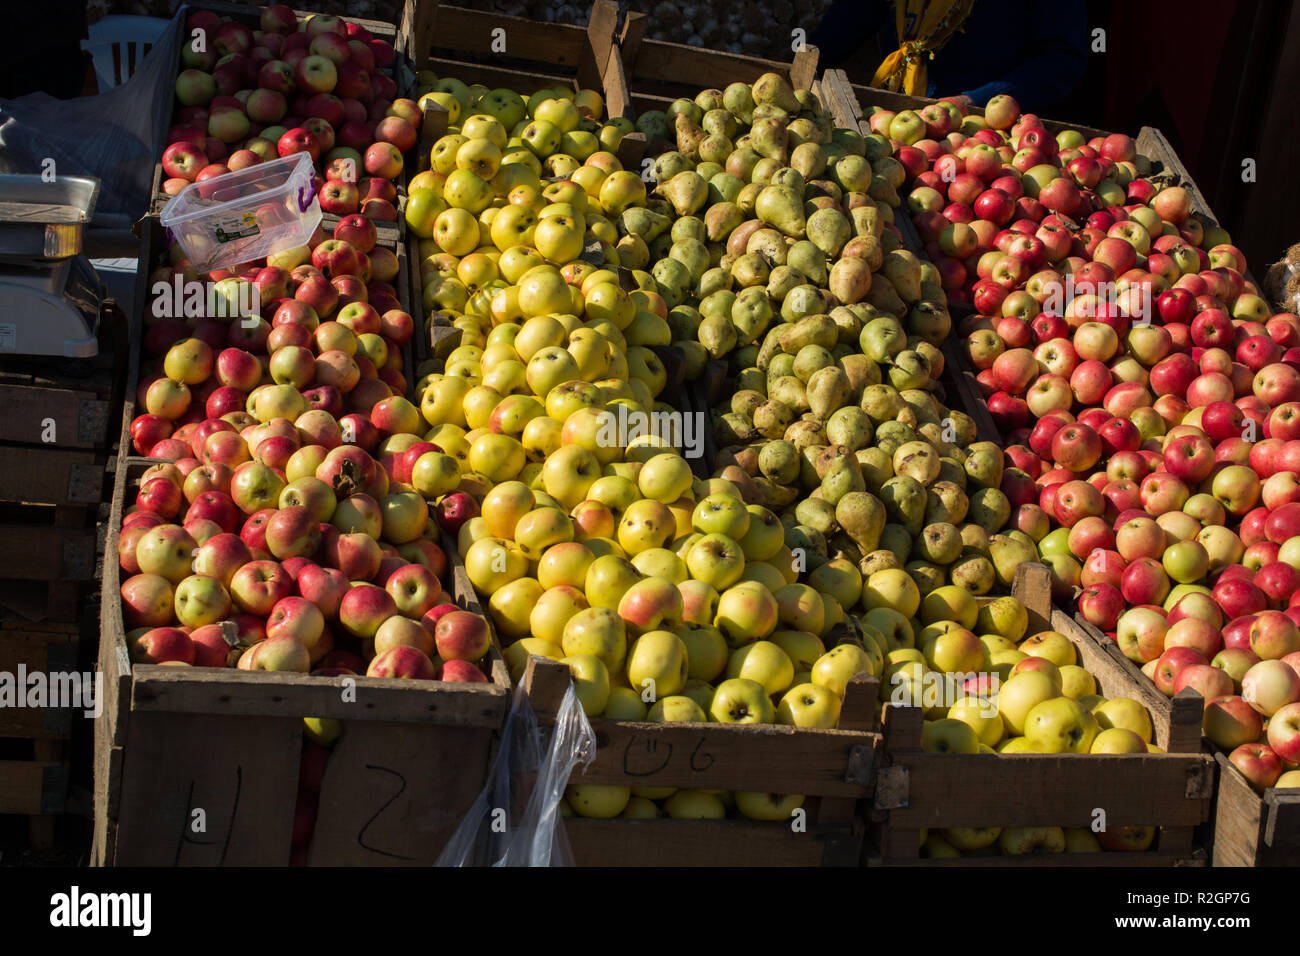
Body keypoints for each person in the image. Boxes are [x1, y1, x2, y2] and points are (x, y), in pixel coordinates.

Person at [812, 0, 1088, 115]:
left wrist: (974, 101)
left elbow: (1062, 60)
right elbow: (857, 11)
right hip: (892, 111)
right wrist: (804, 61)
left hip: (981, 139)